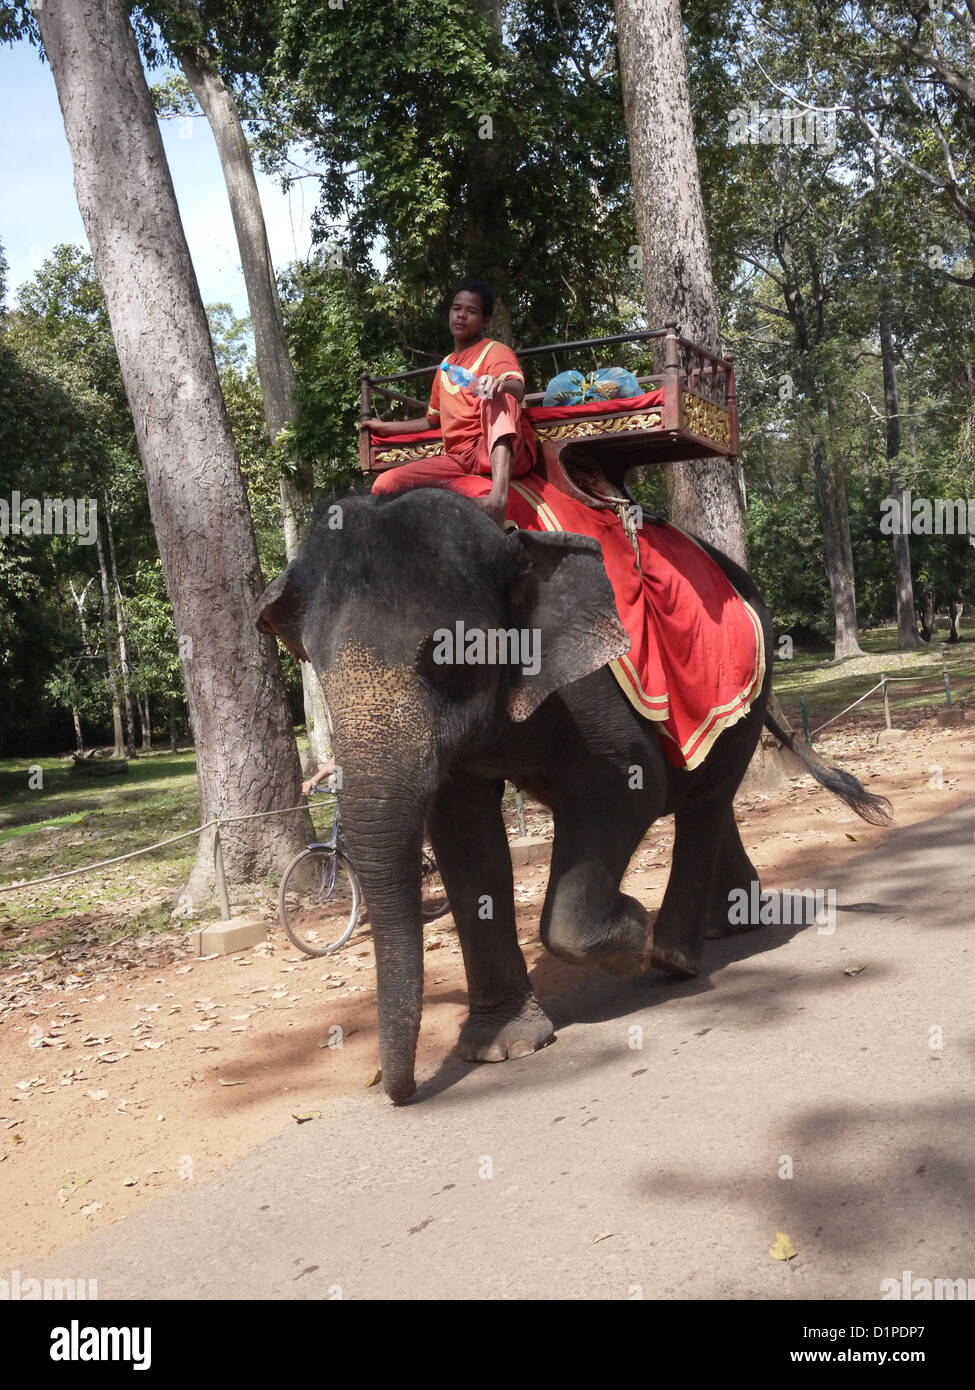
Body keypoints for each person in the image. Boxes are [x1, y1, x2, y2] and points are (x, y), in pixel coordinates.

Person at [363, 278, 536, 525]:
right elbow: (431, 421)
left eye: (471, 311)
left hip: (492, 450)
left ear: (485, 321)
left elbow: (517, 390)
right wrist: (384, 427)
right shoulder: (444, 368)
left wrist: (499, 385)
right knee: (384, 485)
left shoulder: (495, 351)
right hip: (458, 458)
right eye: (456, 309)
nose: (461, 316)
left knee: (497, 397)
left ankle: (497, 500)